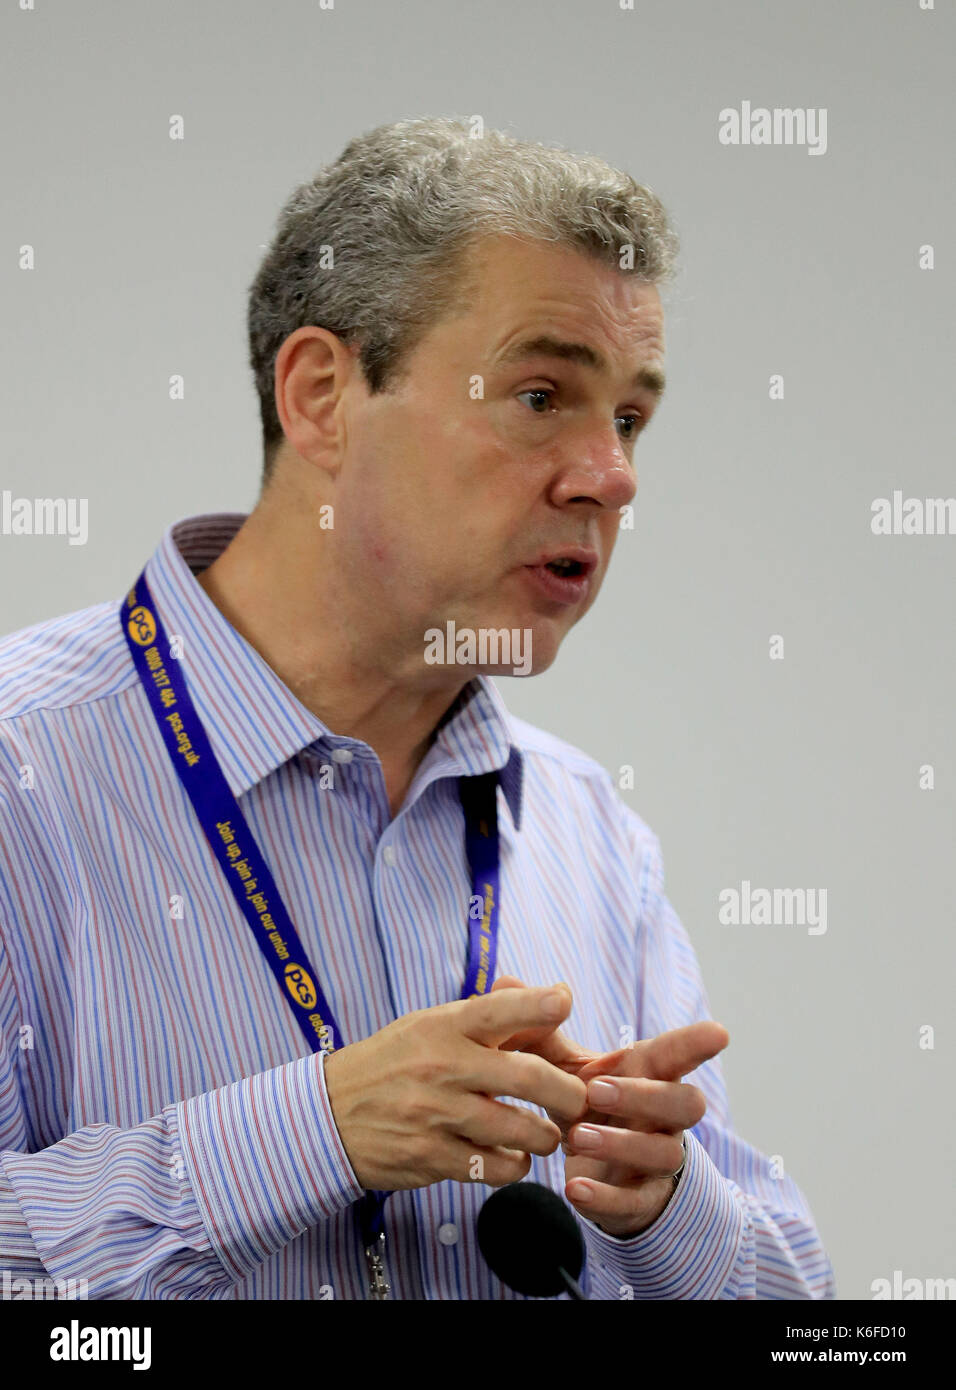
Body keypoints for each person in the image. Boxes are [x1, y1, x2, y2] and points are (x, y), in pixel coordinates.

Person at [0, 117, 835, 1300]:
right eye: (542, 393)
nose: (610, 475)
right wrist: (308, 1134)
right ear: (323, 396)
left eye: (631, 419)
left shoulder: (591, 831)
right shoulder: (19, 772)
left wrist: (663, 1209)